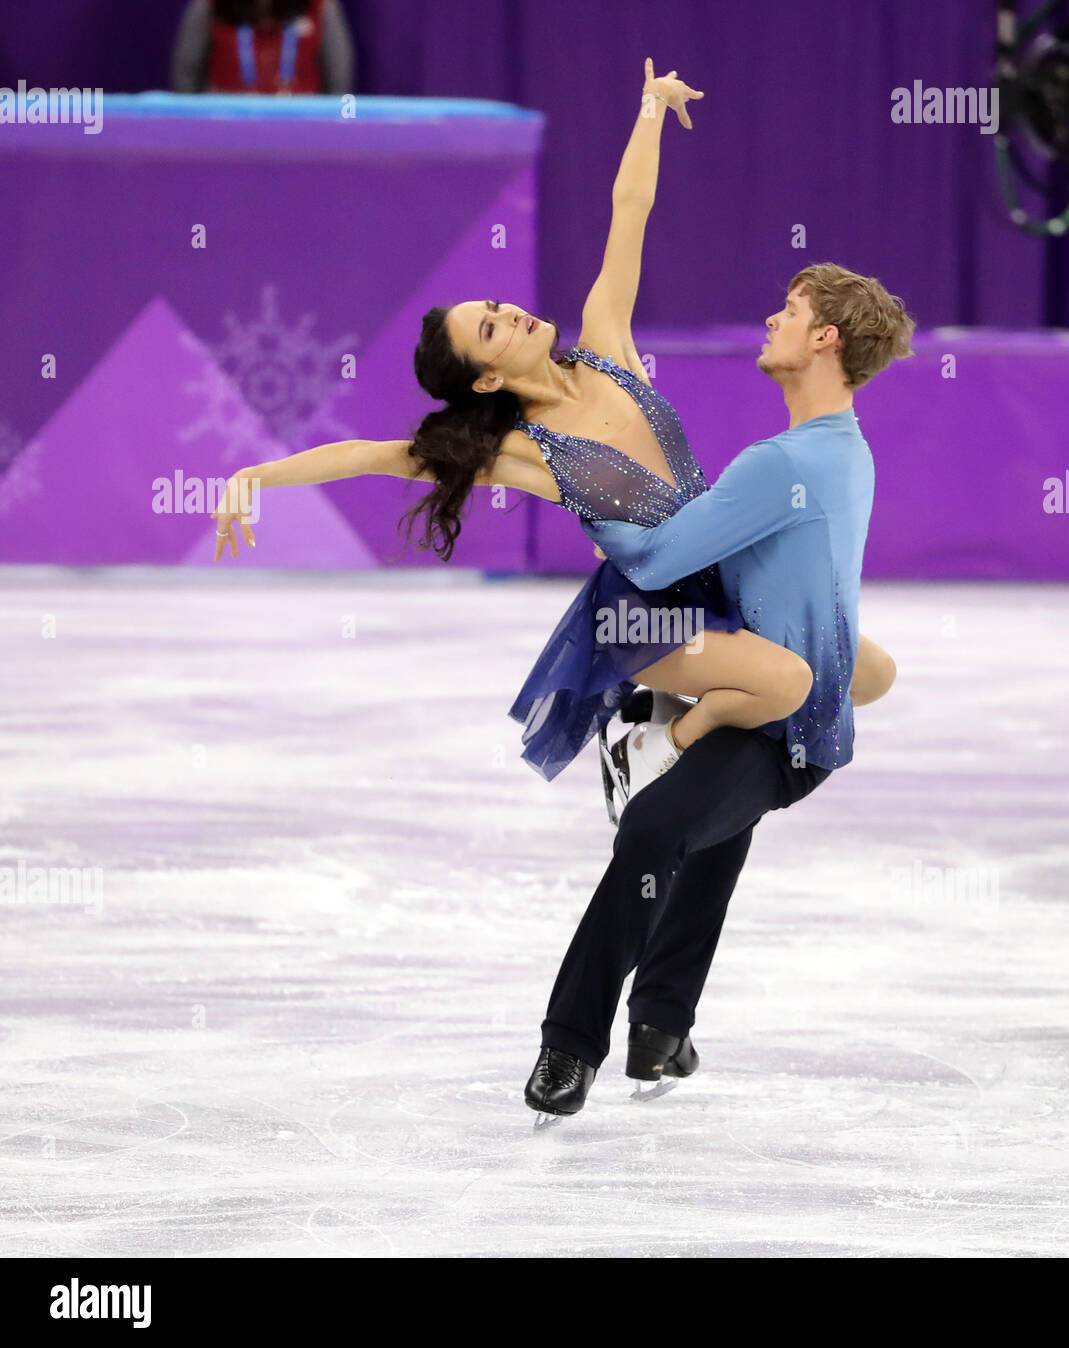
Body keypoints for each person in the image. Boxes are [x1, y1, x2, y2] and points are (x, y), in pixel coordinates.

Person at [211, 63, 897, 781]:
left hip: (716, 586)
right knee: (787, 683)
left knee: (871, 673)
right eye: (489, 329)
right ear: (486, 378)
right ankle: (650, 746)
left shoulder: (607, 348)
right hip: (641, 622)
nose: (507, 312)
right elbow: (375, 454)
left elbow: (629, 209)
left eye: (495, 306)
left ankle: (688, 706)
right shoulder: (519, 450)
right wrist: (254, 474)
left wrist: (652, 106)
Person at [523, 262, 914, 1116]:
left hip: (787, 728)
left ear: (826, 339)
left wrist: (590, 504)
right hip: (799, 705)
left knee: (661, 825)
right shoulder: (846, 446)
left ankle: (569, 1045)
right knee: (711, 828)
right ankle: (662, 1026)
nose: (771, 317)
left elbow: (660, 558)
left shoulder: (780, 464)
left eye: (791, 310)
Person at [171, 0, 355, 95]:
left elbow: (339, 82)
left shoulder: (320, 6)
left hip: (301, 127)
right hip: (226, 126)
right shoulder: (211, 6)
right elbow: (185, 75)